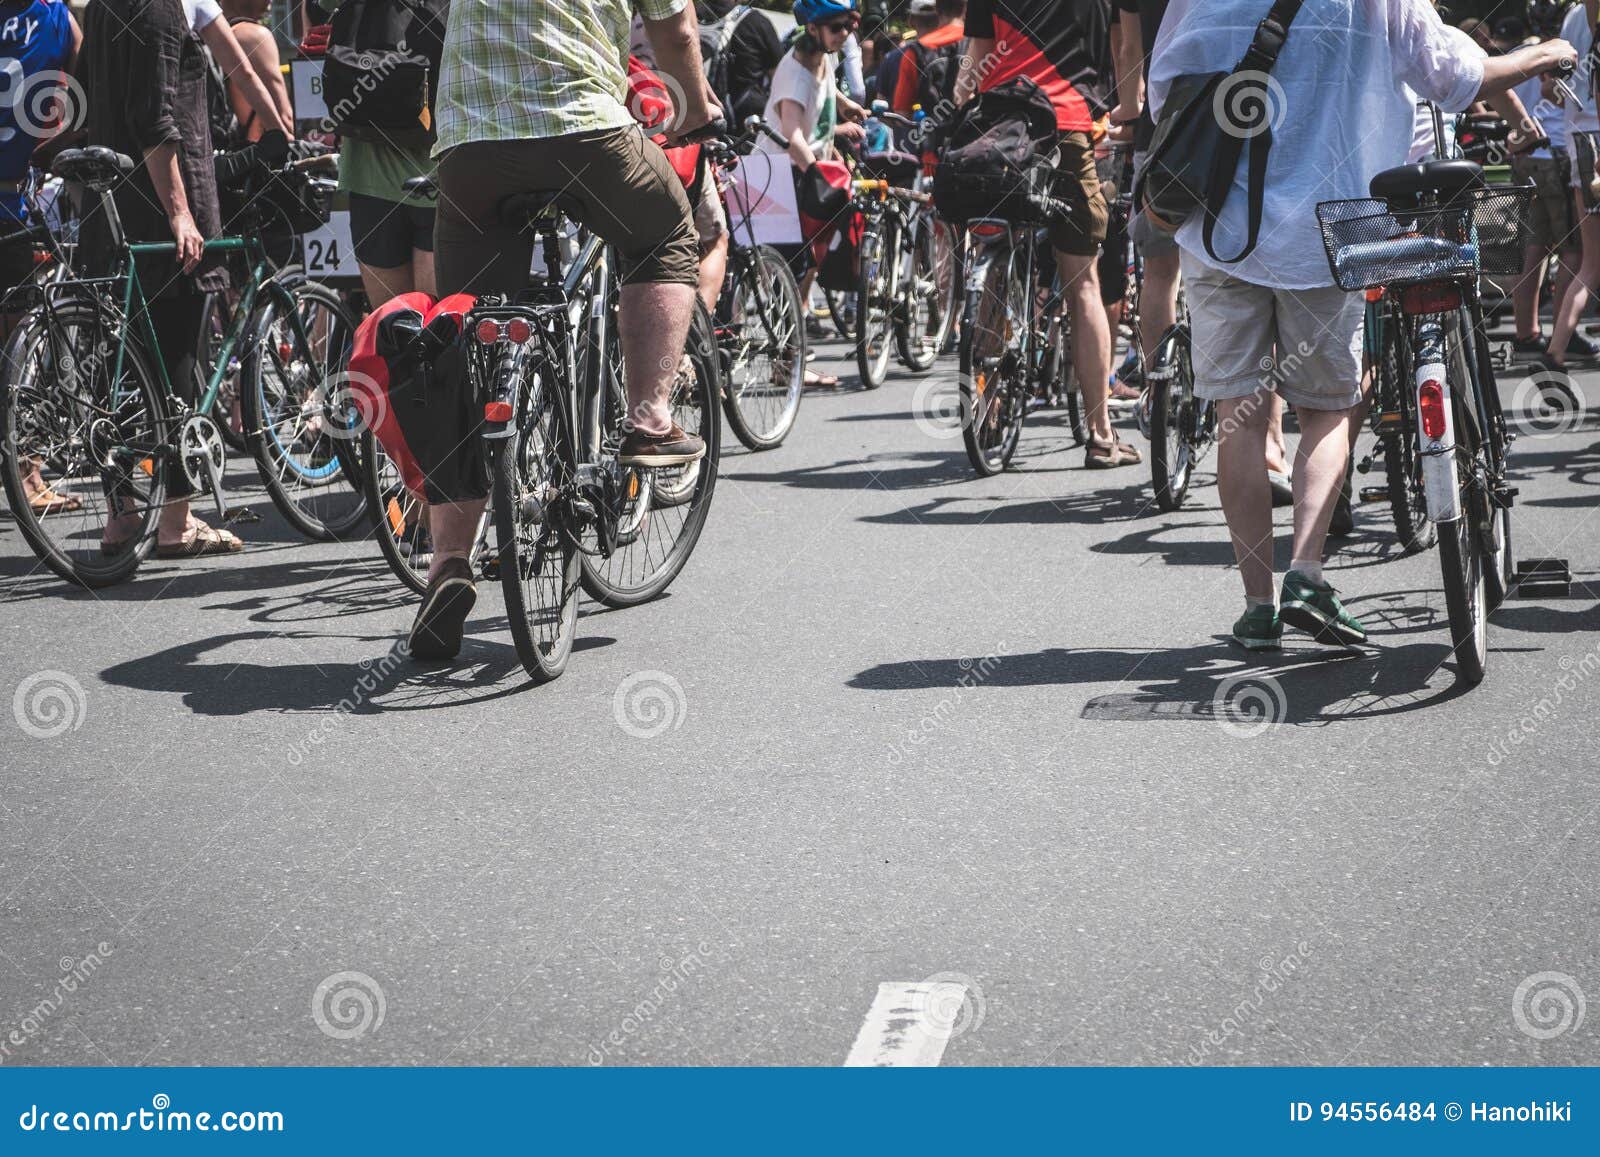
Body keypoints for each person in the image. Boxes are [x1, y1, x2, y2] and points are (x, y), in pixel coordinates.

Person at [1148, 0, 1568, 652]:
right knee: (1328, 410)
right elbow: (1455, 78)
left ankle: (1257, 608)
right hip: (1328, 230)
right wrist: (1545, 54)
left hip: (1219, 227)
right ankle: (1306, 572)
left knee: (1240, 416)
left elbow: (1163, 87)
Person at [418, 0, 721, 661]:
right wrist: (697, 110)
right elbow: (676, 30)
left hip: (470, 147)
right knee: (667, 234)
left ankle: (448, 563)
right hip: (582, 130)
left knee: (466, 332)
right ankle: (649, 417)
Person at [83, 0, 259, 559]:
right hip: (156, 213)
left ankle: (121, 517)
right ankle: (176, 522)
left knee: (117, 365)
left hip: (109, 208)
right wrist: (180, 212)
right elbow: (155, 119)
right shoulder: (160, 7)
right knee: (176, 361)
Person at [1112, 0, 1291, 500]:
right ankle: (1271, 442)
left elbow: (1131, 51)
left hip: (1169, 135)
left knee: (1159, 273)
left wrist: (1132, 111)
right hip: (1239, 121)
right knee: (1257, 281)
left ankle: (1159, 390)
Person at [961, 0, 1139, 469]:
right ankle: (1100, 434)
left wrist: (959, 111)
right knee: (1083, 281)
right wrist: (1126, 111)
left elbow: (976, 58)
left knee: (996, 246)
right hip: (1068, 123)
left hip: (1000, 127)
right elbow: (1123, 50)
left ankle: (988, 405)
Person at [297, 1, 437, 309]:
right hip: (440, 171)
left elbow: (317, 13)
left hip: (370, 171)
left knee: (392, 326)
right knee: (444, 327)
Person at [3, 0, 81, 518]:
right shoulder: (53, 18)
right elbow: (86, 85)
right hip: (9, 200)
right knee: (18, 345)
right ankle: (27, 472)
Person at [1536, 0, 1600, 376]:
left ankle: (1555, 349)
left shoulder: (1573, 16)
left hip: (1578, 139)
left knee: (1590, 263)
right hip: (1591, 138)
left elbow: (1551, 88)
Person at [1510, 22, 1579, 355]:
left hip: (1526, 157)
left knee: (1532, 248)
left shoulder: (1516, 54)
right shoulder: (1562, 55)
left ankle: (1526, 333)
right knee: (1574, 250)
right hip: (1555, 156)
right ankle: (1563, 335)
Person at [217, 0, 293, 142]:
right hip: (254, 150)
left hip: (208, 148)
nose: (270, 2)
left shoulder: (205, 37)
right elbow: (284, 118)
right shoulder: (254, 36)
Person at [698, 0, 784, 124]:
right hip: (745, 122)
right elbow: (780, 78)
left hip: (700, 116)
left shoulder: (691, 16)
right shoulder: (756, 21)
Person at [891, 0, 964, 116]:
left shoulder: (917, 51)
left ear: (937, 10)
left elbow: (902, 111)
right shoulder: (983, 44)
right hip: (980, 124)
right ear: (965, 9)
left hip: (934, 125)